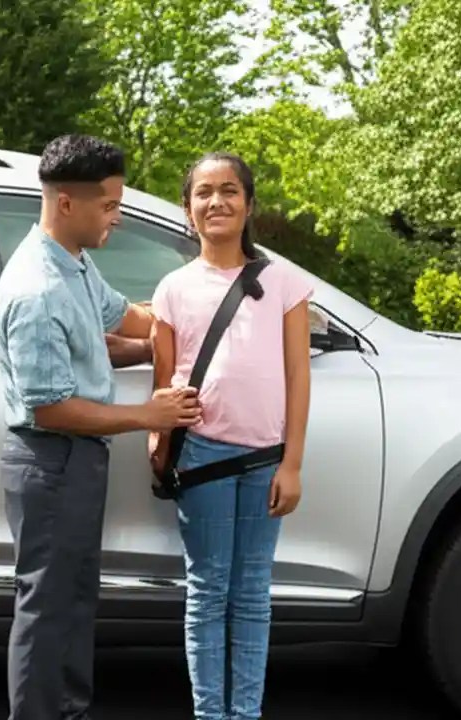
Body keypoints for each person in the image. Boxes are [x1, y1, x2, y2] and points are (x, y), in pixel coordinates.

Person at [0, 133, 202, 720]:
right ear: (66, 203)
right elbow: (51, 406)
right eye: (108, 206)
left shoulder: (75, 265)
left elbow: (117, 324)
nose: (116, 217)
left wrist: (197, 310)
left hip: (75, 461)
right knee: (48, 605)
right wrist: (147, 416)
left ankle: (71, 711)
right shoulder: (37, 290)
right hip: (52, 458)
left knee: (74, 599)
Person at [148, 152, 313, 720]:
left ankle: (245, 713)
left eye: (229, 191)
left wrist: (291, 463)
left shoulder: (284, 281)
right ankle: (208, 713)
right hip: (203, 456)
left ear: (248, 204)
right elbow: (164, 378)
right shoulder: (172, 288)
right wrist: (159, 437)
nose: (216, 202)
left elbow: (298, 376)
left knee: (252, 595)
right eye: (203, 193)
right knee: (207, 591)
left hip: (266, 458)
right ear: (187, 208)